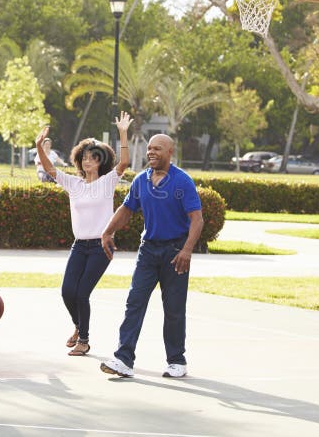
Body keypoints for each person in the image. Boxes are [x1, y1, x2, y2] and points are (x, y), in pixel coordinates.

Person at [99, 134, 203, 379]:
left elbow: (196, 219)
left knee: (174, 308)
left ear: (170, 152)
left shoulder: (182, 181)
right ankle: (124, 359)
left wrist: (187, 250)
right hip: (148, 250)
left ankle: (177, 360)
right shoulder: (140, 180)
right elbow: (127, 209)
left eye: (157, 149)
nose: (151, 153)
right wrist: (107, 231)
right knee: (134, 302)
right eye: (149, 149)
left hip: (176, 251)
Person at [35, 111, 131, 356]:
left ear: (101, 162)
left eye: (94, 158)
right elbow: (49, 169)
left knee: (82, 293)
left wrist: (122, 133)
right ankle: (78, 326)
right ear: (79, 160)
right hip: (79, 246)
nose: (88, 161)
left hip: (101, 247)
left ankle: (84, 340)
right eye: (85, 157)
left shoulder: (108, 181)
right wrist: (39, 147)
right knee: (68, 291)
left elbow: (124, 164)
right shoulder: (73, 184)